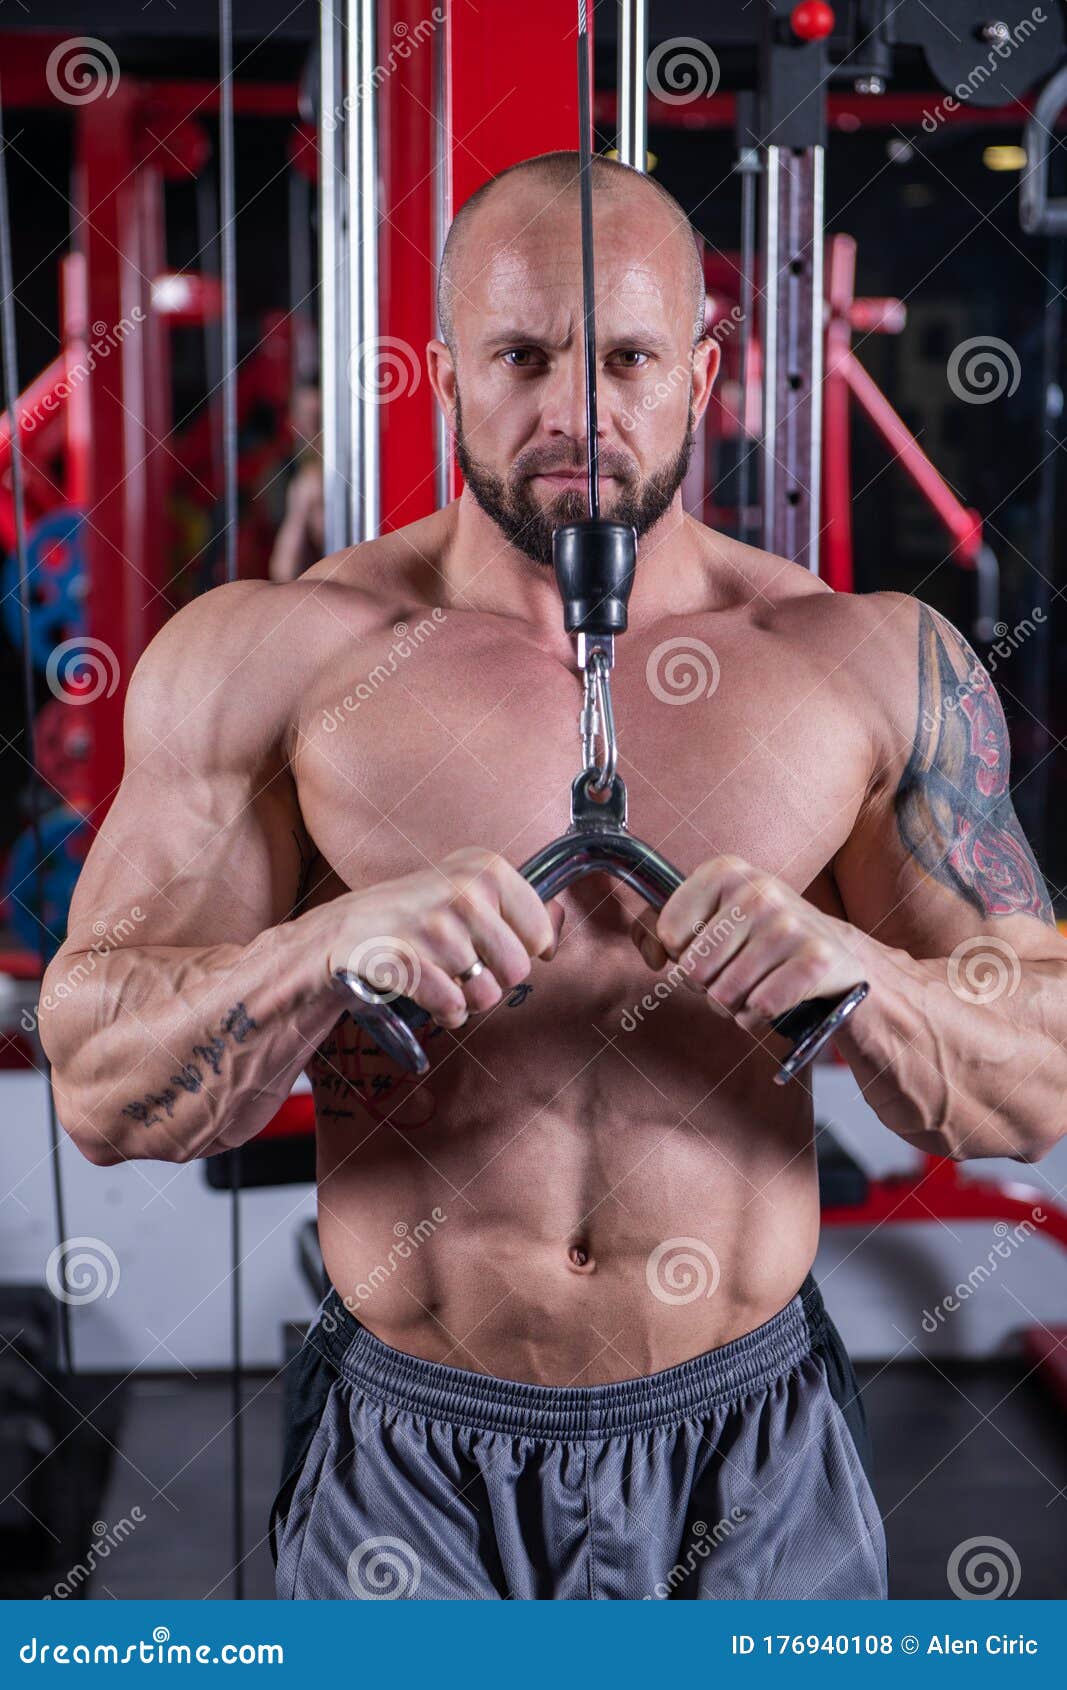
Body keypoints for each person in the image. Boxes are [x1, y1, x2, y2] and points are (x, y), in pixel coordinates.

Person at [39, 153, 1067, 1601]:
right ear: (443, 373)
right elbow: (96, 1082)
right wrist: (315, 949)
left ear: (701, 372)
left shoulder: (862, 662)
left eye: (627, 358)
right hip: (409, 1455)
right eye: (520, 356)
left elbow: (1038, 1078)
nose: (577, 411)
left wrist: (866, 977)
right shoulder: (272, 658)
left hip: (750, 1444)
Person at [267, 377, 325, 583]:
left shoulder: (353, 465)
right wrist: (301, 507)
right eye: (304, 418)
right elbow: (283, 573)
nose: (311, 430)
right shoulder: (290, 477)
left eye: (318, 419)